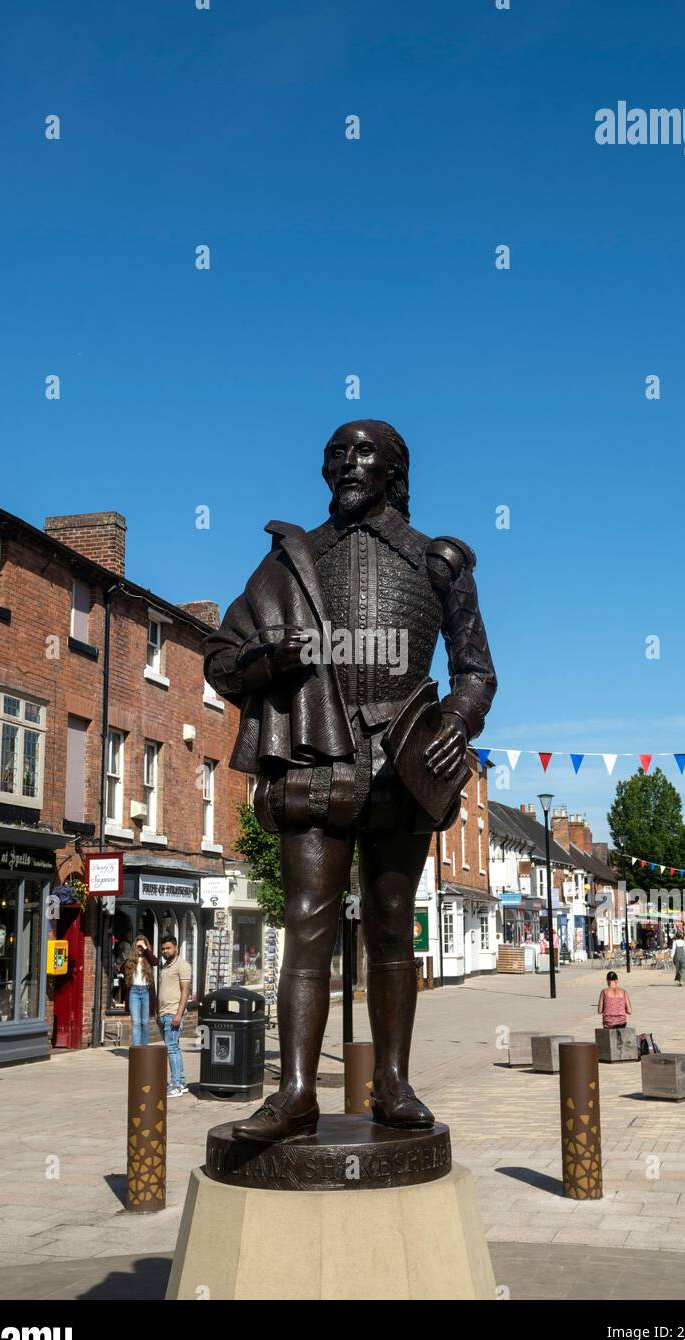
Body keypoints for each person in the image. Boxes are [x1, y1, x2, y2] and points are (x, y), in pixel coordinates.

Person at [204, 419, 496, 1141]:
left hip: (404, 760)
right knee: (307, 926)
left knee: (394, 929)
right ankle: (297, 1092)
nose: (346, 464)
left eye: (363, 453)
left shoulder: (439, 563)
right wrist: (271, 661)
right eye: (336, 453)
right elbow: (220, 657)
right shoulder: (292, 560)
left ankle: (392, 1085)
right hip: (318, 757)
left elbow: (476, 672)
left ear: (395, 468)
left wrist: (457, 723)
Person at [158, 933, 192, 1098]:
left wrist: (179, 1013)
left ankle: (176, 1084)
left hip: (173, 1012)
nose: (165, 951)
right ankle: (182, 1081)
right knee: (173, 1047)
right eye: (163, 948)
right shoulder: (165, 966)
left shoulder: (182, 965)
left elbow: (185, 990)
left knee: (172, 1048)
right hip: (164, 1013)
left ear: (176, 948)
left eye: (168, 948)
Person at [123, 934, 157, 1046]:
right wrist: (134, 957)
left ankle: (144, 1050)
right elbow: (121, 967)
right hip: (134, 992)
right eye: (138, 946)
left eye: (142, 946)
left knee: (145, 1022)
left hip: (146, 991)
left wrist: (146, 949)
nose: (140, 949)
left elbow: (155, 962)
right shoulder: (131, 961)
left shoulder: (149, 960)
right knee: (136, 1023)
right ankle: (136, 1051)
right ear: (134, 947)